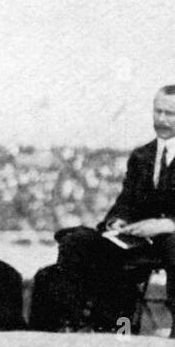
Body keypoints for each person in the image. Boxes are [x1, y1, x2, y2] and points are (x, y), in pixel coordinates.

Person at [31, 85, 175, 333]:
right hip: (140, 239)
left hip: (170, 242)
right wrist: (117, 221)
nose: (160, 120)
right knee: (76, 240)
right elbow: (126, 201)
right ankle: (78, 322)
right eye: (157, 111)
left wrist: (168, 224)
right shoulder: (142, 155)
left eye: (170, 114)